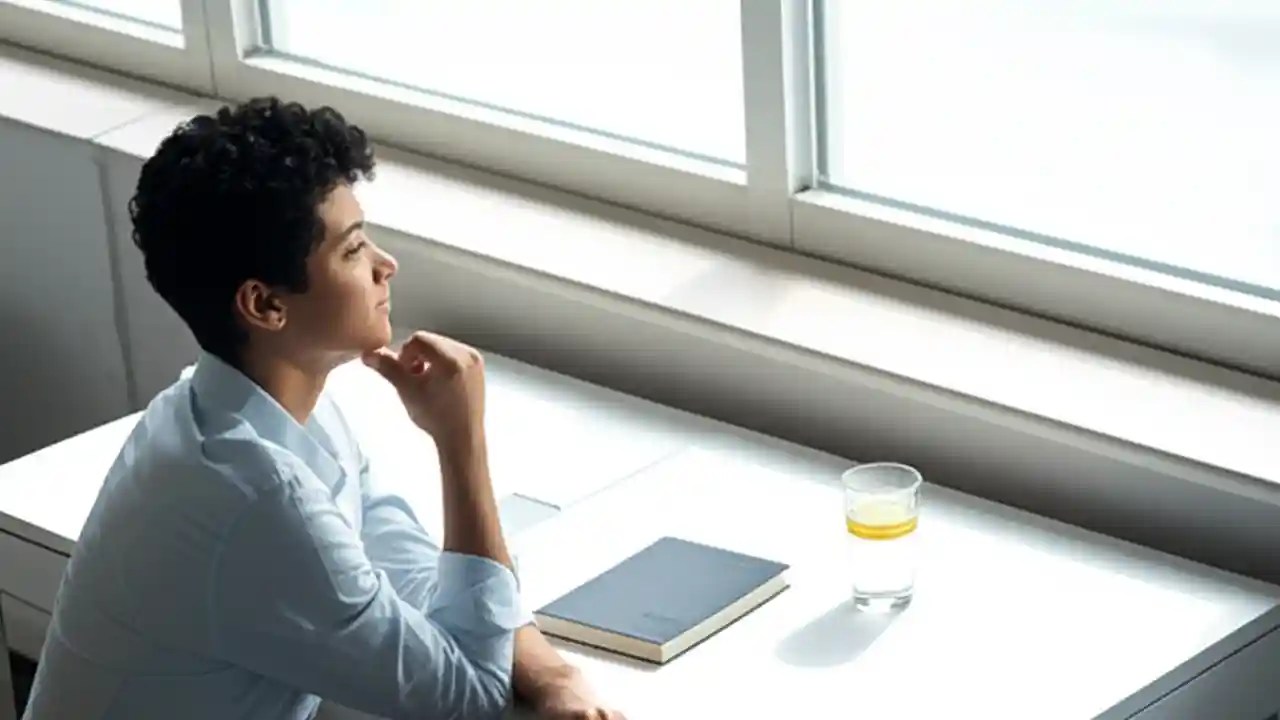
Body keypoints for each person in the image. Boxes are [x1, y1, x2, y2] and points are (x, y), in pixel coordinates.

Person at [23, 97, 622, 720]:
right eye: (352, 250)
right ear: (265, 305)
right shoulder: (255, 495)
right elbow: (469, 696)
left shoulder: (254, 412)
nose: (386, 265)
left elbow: (423, 580)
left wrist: (554, 676)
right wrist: (461, 441)